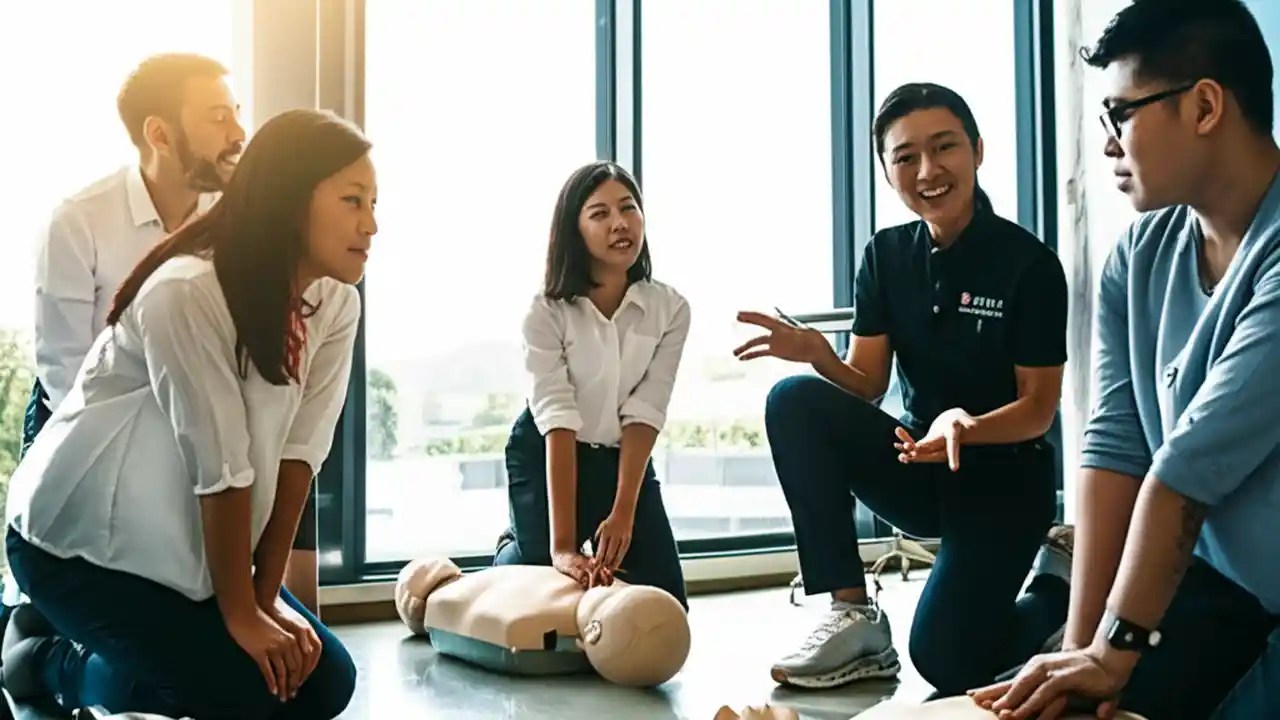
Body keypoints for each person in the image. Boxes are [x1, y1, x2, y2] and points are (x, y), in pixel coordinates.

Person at [1, 107, 373, 720]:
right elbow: (219, 466)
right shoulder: (187, 290)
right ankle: (49, 664)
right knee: (241, 694)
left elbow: (299, 455)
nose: (372, 224)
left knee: (323, 684)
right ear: (290, 198)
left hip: (190, 547)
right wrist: (238, 615)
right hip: (77, 546)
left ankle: (135, 652)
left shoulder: (336, 303)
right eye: (353, 200)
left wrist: (263, 597)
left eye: (374, 203)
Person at [970, 2, 1280, 718]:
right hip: (1208, 579)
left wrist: (1118, 649)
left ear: (1205, 106)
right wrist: (1081, 650)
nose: (1106, 142)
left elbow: (1187, 470)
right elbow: (1116, 448)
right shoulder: (1138, 258)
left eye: (1121, 113)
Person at [735, 83, 1072, 695]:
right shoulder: (886, 255)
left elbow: (1038, 408)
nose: (927, 170)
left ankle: (1057, 588)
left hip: (1006, 481)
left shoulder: (1029, 265)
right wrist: (817, 354)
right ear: (888, 171)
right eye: (905, 157)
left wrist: (968, 426)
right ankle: (853, 613)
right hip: (922, 462)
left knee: (948, 663)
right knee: (793, 400)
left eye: (944, 148)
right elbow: (867, 384)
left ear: (976, 151)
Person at [18, 52, 322, 616]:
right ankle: (44, 644)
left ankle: (283, 613)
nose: (238, 133)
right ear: (159, 133)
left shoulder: (240, 217)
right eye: (217, 118)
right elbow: (65, 375)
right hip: (90, 417)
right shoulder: (78, 220)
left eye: (236, 113)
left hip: (203, 409)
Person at [493, 161, 691, 610]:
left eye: (628, 208)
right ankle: (514, 545)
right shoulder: (545, 312)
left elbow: (646, 410)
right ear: (574, 229)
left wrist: (623, 514)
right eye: (600, 214)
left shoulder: (670, 308)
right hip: (548, 450)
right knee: (540, 593)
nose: (620, 223)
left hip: (622, 457)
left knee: (668, 604)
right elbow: (558, 419)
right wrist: (562, 548)